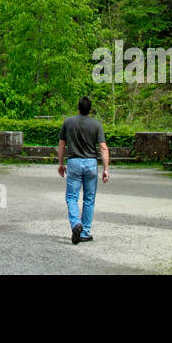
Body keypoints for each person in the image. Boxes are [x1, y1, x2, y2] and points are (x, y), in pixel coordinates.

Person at [56, 96, 109, 244]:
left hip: (73, 162)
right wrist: (106, 169)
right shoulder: (96, 125)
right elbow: (103, 147)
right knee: (89, 199)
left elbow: (61, 144)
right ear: (90, 109)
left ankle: (75, 224)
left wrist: (60, 163)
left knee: (72, 197)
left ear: (78, 108)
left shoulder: (68, 122)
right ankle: (85, 232)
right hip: (91, 163)